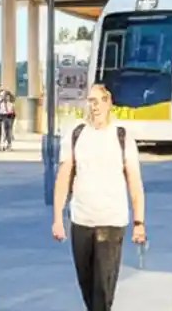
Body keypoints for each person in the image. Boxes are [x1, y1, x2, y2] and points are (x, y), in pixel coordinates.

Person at [52, 84, 145, 311]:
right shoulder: (77, 134)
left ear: (108, 102)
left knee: (102, 290)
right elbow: (63, 177)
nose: (94, 106)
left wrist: (139, 222)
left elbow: (134, 181)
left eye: (98, 101)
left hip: (111, 222)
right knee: (87, 286)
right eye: (90, 101)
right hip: (81, 221)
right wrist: (57, 219)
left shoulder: (122, 137)